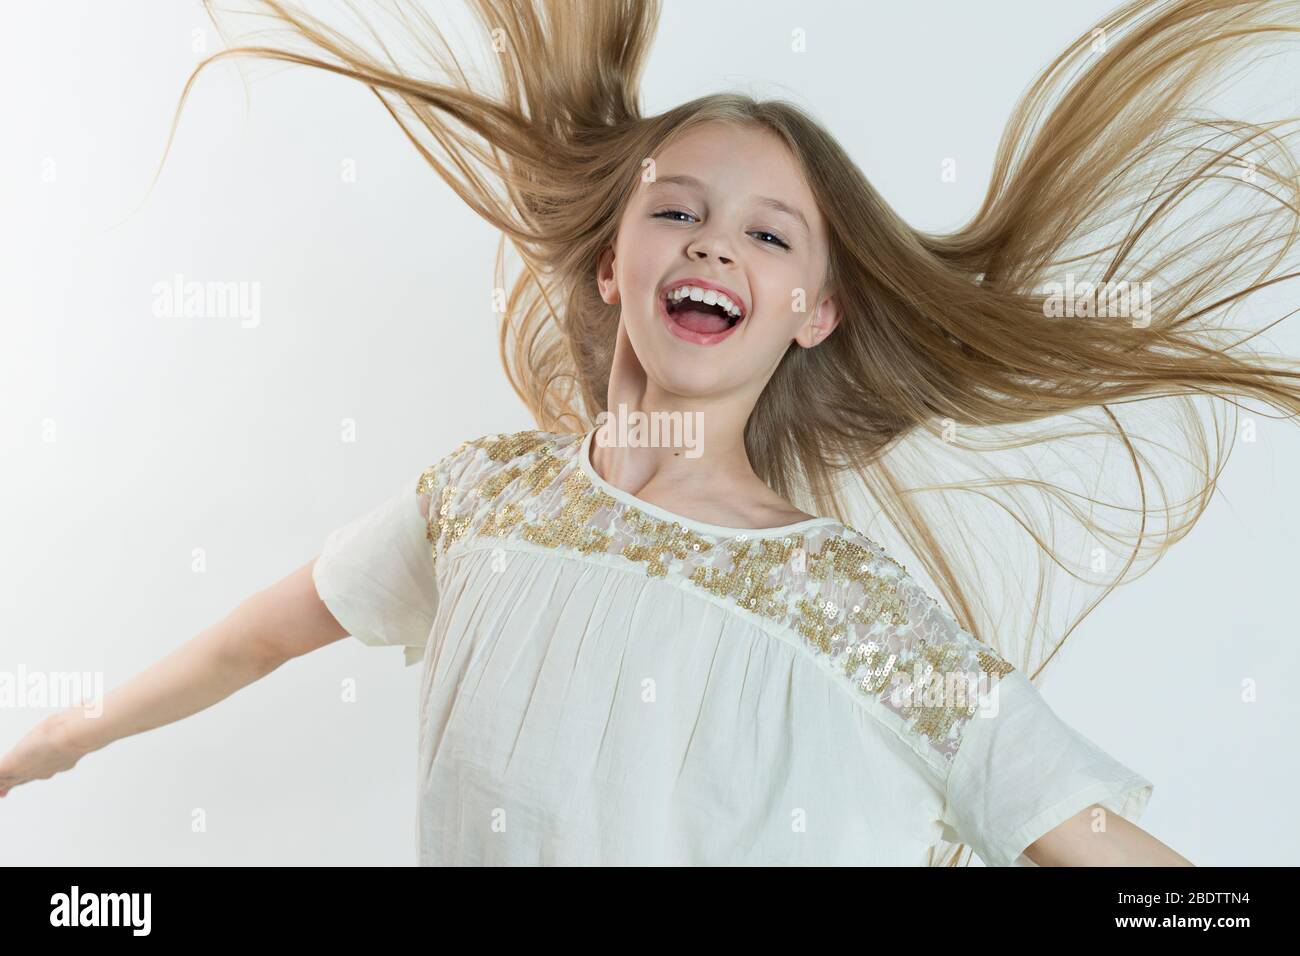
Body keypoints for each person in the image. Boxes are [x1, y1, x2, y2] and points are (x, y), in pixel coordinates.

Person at [8, 0, 1300, 865]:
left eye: (768, 233)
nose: (714, 242)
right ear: (615, 265)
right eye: (677, 210)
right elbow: (253, 638)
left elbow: (1080, 830)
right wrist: (56, 744)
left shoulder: (849, 604)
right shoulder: (480, 500)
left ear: (813, 312)